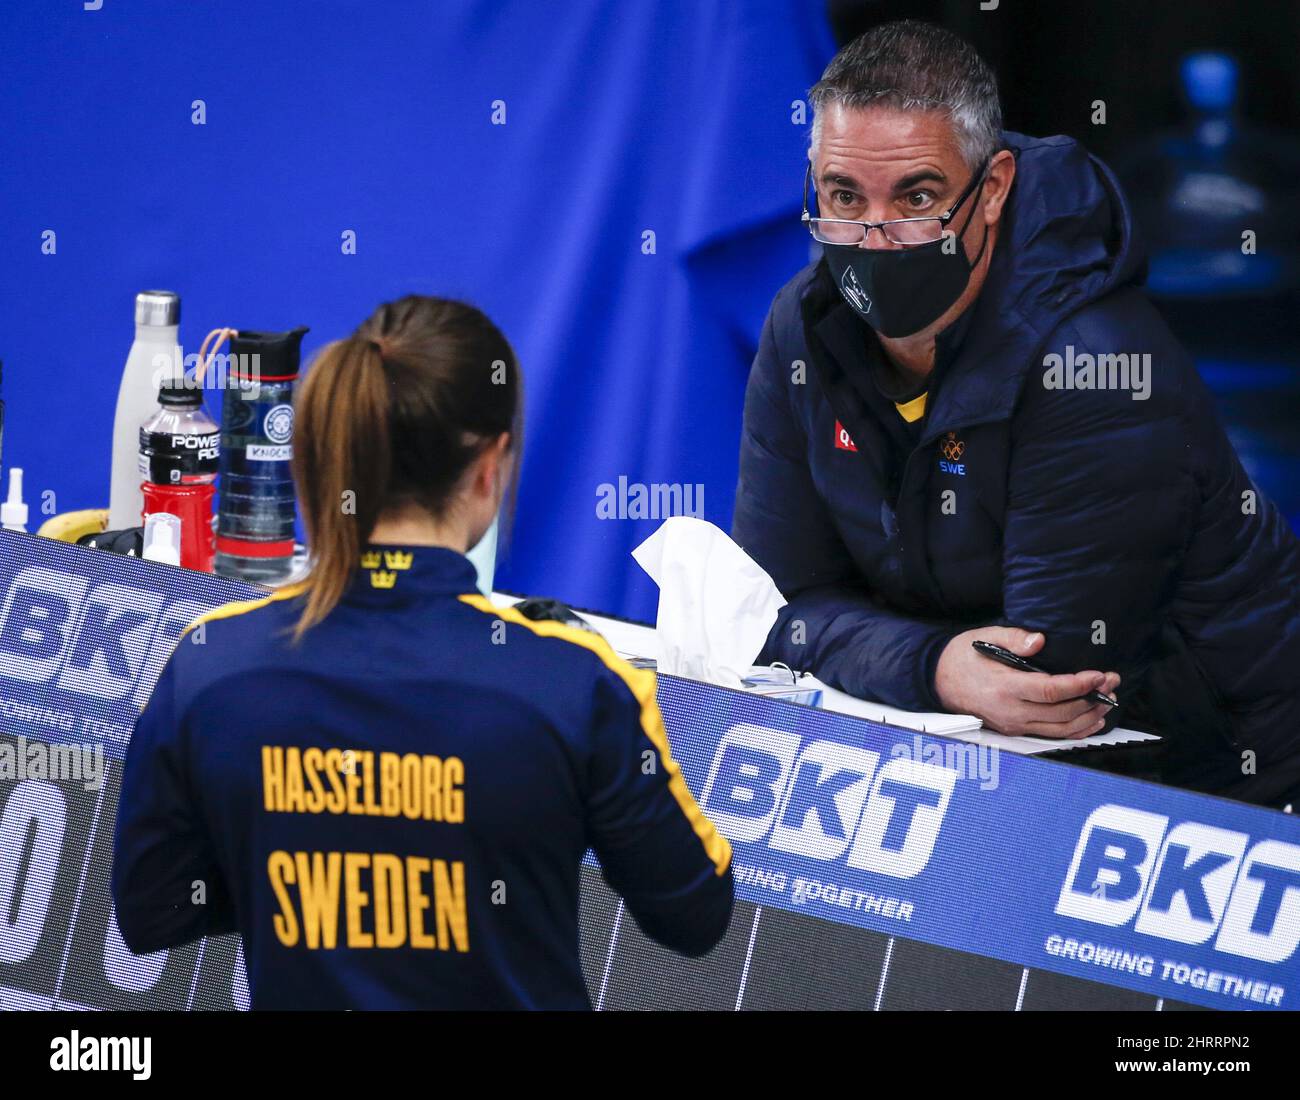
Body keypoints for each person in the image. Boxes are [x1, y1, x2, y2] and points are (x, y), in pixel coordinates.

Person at [732, 21, 1300, 807]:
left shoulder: (1095, 365)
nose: (875, 237)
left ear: (992, 187)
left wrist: (899, 655)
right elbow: (765, 610)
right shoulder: (803, 324)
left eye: (918, 197)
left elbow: (1041, 687)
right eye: (841, 196)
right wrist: (935, 666)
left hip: (1235, 797)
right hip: (1052, 786)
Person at [113, 295, 733, 1009]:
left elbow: (152, 909)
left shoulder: (211, 662)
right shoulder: (573, 680)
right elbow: (695, 914)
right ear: (488, 467)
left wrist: (305, 872)